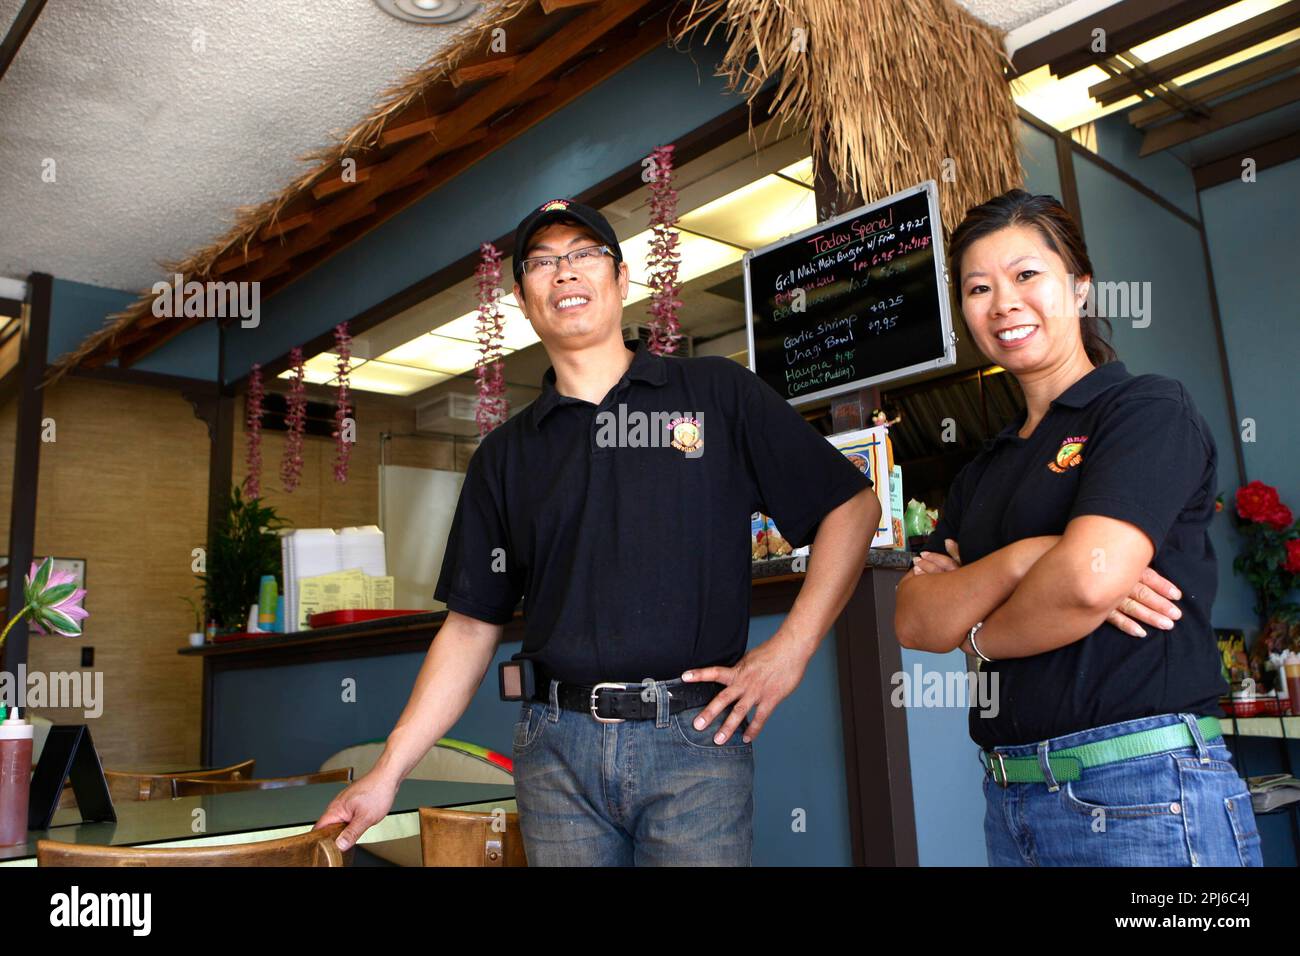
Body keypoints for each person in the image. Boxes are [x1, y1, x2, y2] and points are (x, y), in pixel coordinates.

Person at [315, 197, 881, 865]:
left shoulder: (719, 395)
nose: (565, 273)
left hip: (695, 738)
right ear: (525, 303)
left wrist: (790, 649)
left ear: (621, 278)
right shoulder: (505, 456)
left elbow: (851, 506)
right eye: (543, 263)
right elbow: (470, 627)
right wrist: (388, 771)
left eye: (584, 254)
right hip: (556, 753)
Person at [894, 188, 1262, 867]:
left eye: (1027, 275)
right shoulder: (983, 469)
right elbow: (917, 619)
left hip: (1145, 791)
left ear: (1081, 286)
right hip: (1011, 803)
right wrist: (1028, 558)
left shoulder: (1144, 409)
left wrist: (978, 635)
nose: (1003, 302)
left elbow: (1089, 583)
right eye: (979, 287)